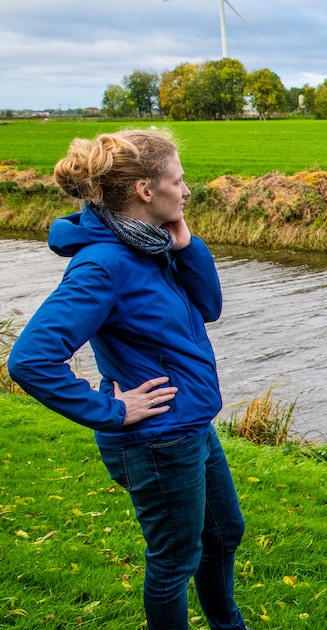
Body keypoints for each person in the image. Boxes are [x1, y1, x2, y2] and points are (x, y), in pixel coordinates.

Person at [7, 129, 252, 630]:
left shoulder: (149, 246)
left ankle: (230, 627)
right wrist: (114, 411)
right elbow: (30, 359)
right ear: (145, 190)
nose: (187, 192)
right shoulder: (103, 265)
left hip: (191, 425)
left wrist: (186, 245)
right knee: (172, 564)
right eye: (178, 182)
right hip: (157, 440)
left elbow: (208, 307)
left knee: (225, 533)